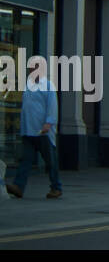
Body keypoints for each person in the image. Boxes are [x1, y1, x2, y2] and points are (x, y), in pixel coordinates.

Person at [5, 67, 62, 199]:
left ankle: (56, 187)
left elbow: (52, 106)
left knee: (50, 161)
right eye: (30, 69)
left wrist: (48, 123)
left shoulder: (48, 85)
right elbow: (26, 107)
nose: (31, 71)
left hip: (43, 131)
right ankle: (18, 186)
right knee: (26, 159)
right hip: (29, 130)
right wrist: (22, 127)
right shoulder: (28, 86)